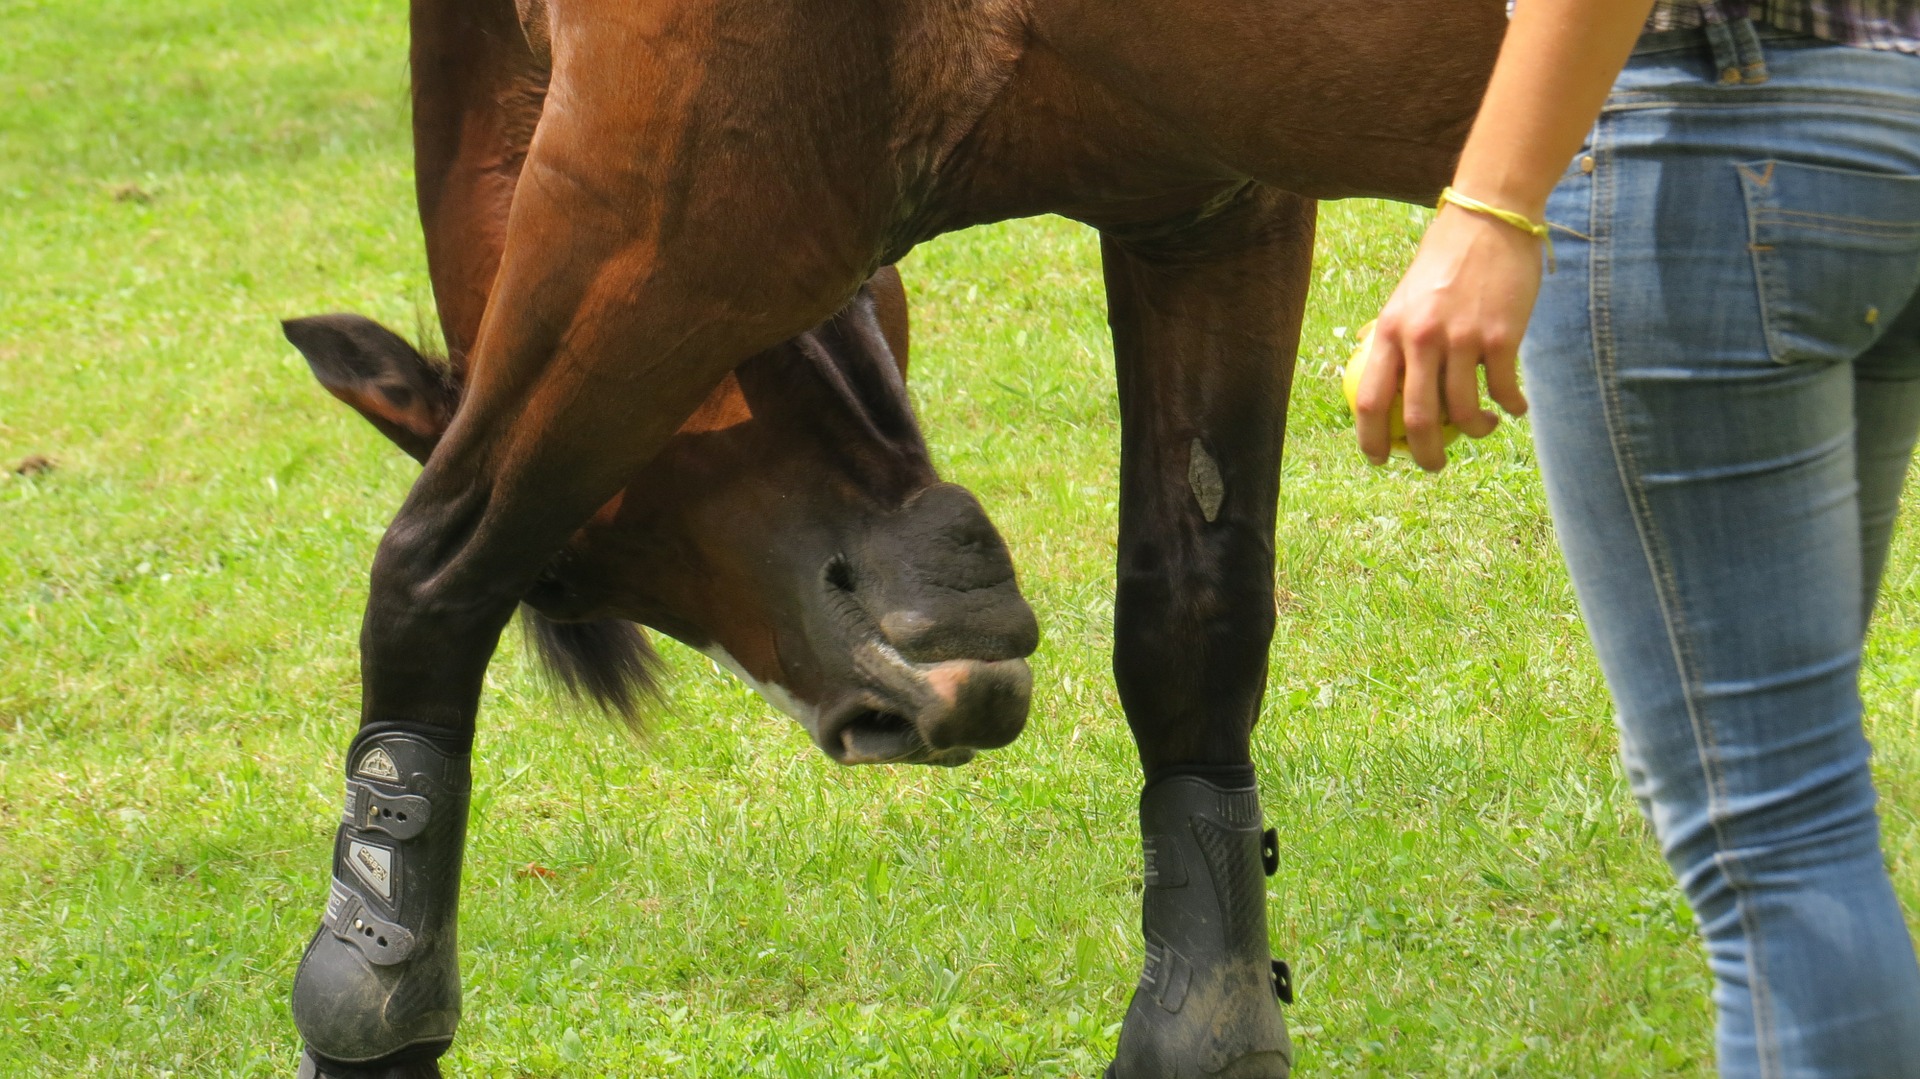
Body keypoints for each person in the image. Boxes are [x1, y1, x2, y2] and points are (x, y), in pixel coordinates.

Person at [1353, 1, 1920, 1075]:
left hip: (1712, 135)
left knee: (1778, 848)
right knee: (1799, 819)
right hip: (1884, 118)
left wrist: (1491, 202)